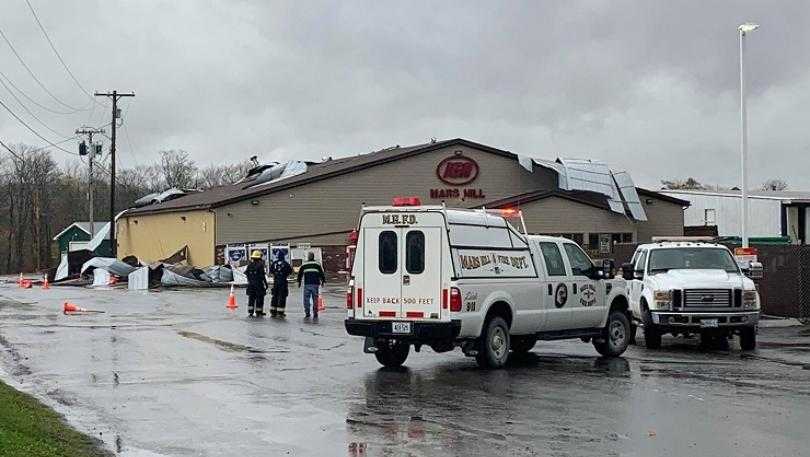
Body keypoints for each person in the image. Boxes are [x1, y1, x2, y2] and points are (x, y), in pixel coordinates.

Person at [297, 252, 326, 320]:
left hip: (307, 284)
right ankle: (315, 313)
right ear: (313, 257)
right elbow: (321, 273)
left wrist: (299, 282)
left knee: (306, 299)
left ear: (308, 257)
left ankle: (307, 313)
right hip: (315, 284)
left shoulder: (304, 264)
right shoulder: (317, 264)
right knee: (315, 299)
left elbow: (300, 274)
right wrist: (323, 281)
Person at [269, 250, 293, 318]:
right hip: (283, 282)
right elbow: (290, 272)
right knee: (282, 297)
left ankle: (273, 312)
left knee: (275, 296)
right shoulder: (286, 264)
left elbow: (271, 272)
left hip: (276, 282)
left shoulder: (274, 263)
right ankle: (280, 312)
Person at [245, 250, 268, 317]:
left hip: (251, 285)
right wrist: (266, 284)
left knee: (251, 298)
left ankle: (250, 312)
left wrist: (250, 281)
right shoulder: (260, 265)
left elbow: (247, 274)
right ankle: (259, 312)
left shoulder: (249, 265)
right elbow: (262, 276)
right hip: (258, 285)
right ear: (259, 258)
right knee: (259, 298)